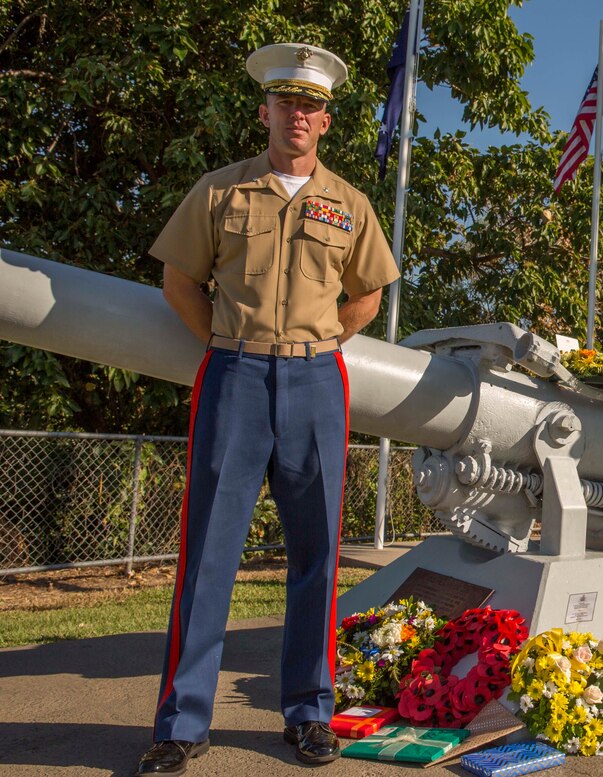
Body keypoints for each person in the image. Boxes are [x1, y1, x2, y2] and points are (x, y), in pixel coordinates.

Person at [136, 43, 399, 775]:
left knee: (316, 555)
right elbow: (179, 281)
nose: (298, 115)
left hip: (317, 383)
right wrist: (231, 344)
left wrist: (312, 345)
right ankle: (182, 724)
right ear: (266, 111)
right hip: (235, 377)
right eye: (286, 102)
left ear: (325, 122)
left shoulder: (349, 204)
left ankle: (310, 713)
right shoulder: (220, 192)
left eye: (311, 106)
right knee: (208, 556)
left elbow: (366, 295)